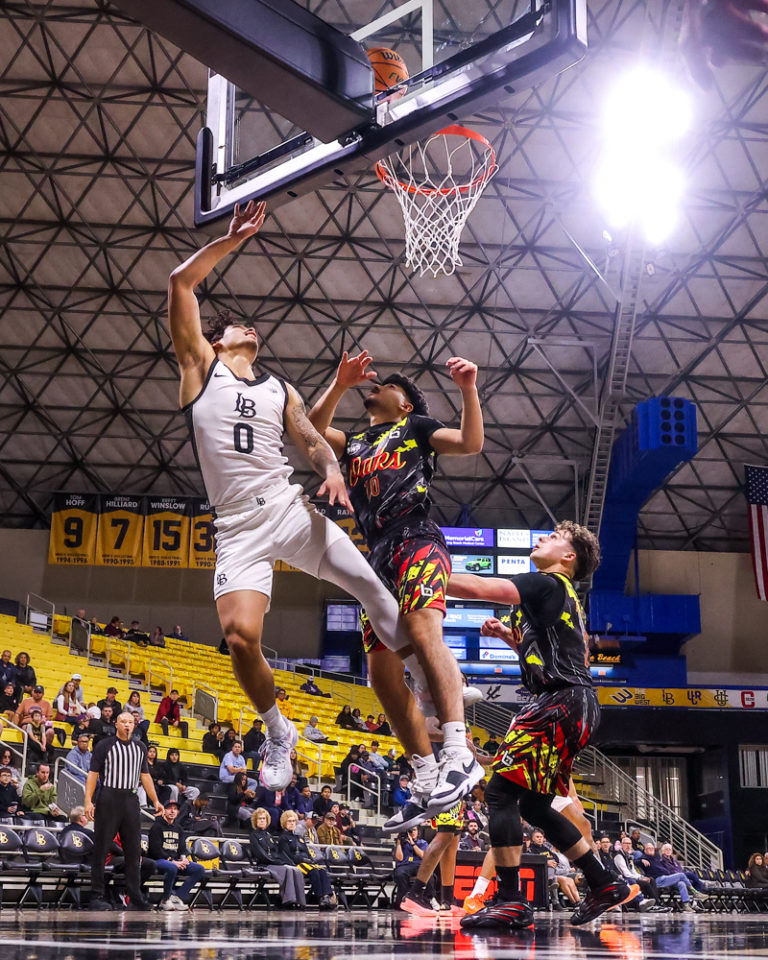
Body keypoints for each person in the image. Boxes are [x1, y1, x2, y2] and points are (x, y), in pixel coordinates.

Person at [168, 202, 423, 795]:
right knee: (239, 638)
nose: (249, 328)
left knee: (371, 585)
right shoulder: (199, 367)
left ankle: (425, 677)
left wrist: (332, 467)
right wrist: (231, 241)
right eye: (237, 325)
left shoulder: (279, 386)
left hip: (288, 508)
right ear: (215, 339)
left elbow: (310, 439)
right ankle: (278, 730)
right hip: (235, 527)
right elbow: (181, 281)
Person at [309, 349, 485, 825]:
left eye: (386, 384)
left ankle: (456, 750)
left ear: (405, 404)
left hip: (417, 537)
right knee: (381, 675)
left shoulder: (418, 428)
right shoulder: (357, 442)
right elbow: (310, 429)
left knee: (424, 632)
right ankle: (425, 774)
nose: (377, 386)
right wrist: (340, 384)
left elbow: (470, 442)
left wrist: (467, 387)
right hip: (378, 554)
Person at [450, 522, 637, 930]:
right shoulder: (564, 598)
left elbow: (482, 588)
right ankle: (603, 882)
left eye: (552, 538)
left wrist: (427, 575)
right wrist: (509, 638)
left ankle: (513, 900)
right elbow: (560, 652)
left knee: (499, 792)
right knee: (533, 804)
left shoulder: (546, 583)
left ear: (568, 557)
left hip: (559, 701)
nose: (540, 540)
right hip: (578, 703)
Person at [85, 711, 163, 911]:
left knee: (133, 849)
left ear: (134, 725)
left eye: (130, 722)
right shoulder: (105, 745)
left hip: (130, 798)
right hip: (109, 796)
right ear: (116, 724)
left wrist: (155, 800)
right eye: (123, 722)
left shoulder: (141, 747)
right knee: (102, 847)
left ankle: (135, 896)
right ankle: (96, 895)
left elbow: (145, 775)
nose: (127, 725)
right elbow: (93, 774)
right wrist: (88, 801)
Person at [148, 800, 206, 910]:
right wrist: (172, 861)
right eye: (169, 808)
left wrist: (183, 860)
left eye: (175, 809)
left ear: (178, 812)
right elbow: (156, 850)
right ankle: (165, 899)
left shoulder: (178, 828)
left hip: (176, 861)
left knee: (199, 869)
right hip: (159, 860)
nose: (172, 811)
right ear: (164, 811)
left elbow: (182, 848)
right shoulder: (156, 827)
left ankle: (177, 896)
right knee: (172, 867)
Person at [277, 809, 336, 909]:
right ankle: (320, 898)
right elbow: (287, 854)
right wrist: (303, 859)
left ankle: (326, 896)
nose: (292, 823)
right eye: (289, 821)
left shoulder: (299, 837)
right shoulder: (283, 838)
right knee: (313, 871)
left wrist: (309, 859)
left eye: (293, 821)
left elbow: (307, 851)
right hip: (295, 863)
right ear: (284, 823)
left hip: (306, 861)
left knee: (322, 870)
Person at [249, 808, 306, 907]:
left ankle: (300, 901)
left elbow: (278, 852)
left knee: (295, 869)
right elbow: (261, 854)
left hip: (274, 863)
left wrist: (286, 862)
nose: (262, 820)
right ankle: (288, 900)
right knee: (287, 869)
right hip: (265, 865)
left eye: (264, 819)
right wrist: (277, 862)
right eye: (260, 819)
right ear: (255, 821)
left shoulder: (268, 835)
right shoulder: (254, 836)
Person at [393, 826, 429, 908]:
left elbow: (423, 856)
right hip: (405, 866)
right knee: (399, 873)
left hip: (418, 865)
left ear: (418, 832)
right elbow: (399, 858)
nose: (412, 832)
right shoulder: (402, 844)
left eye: (414, 830)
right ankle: (404, 899)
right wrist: (398, 842)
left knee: (429, 873)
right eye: (410, 830)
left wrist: (413, 843)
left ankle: (427, 900)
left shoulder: (422, 843)